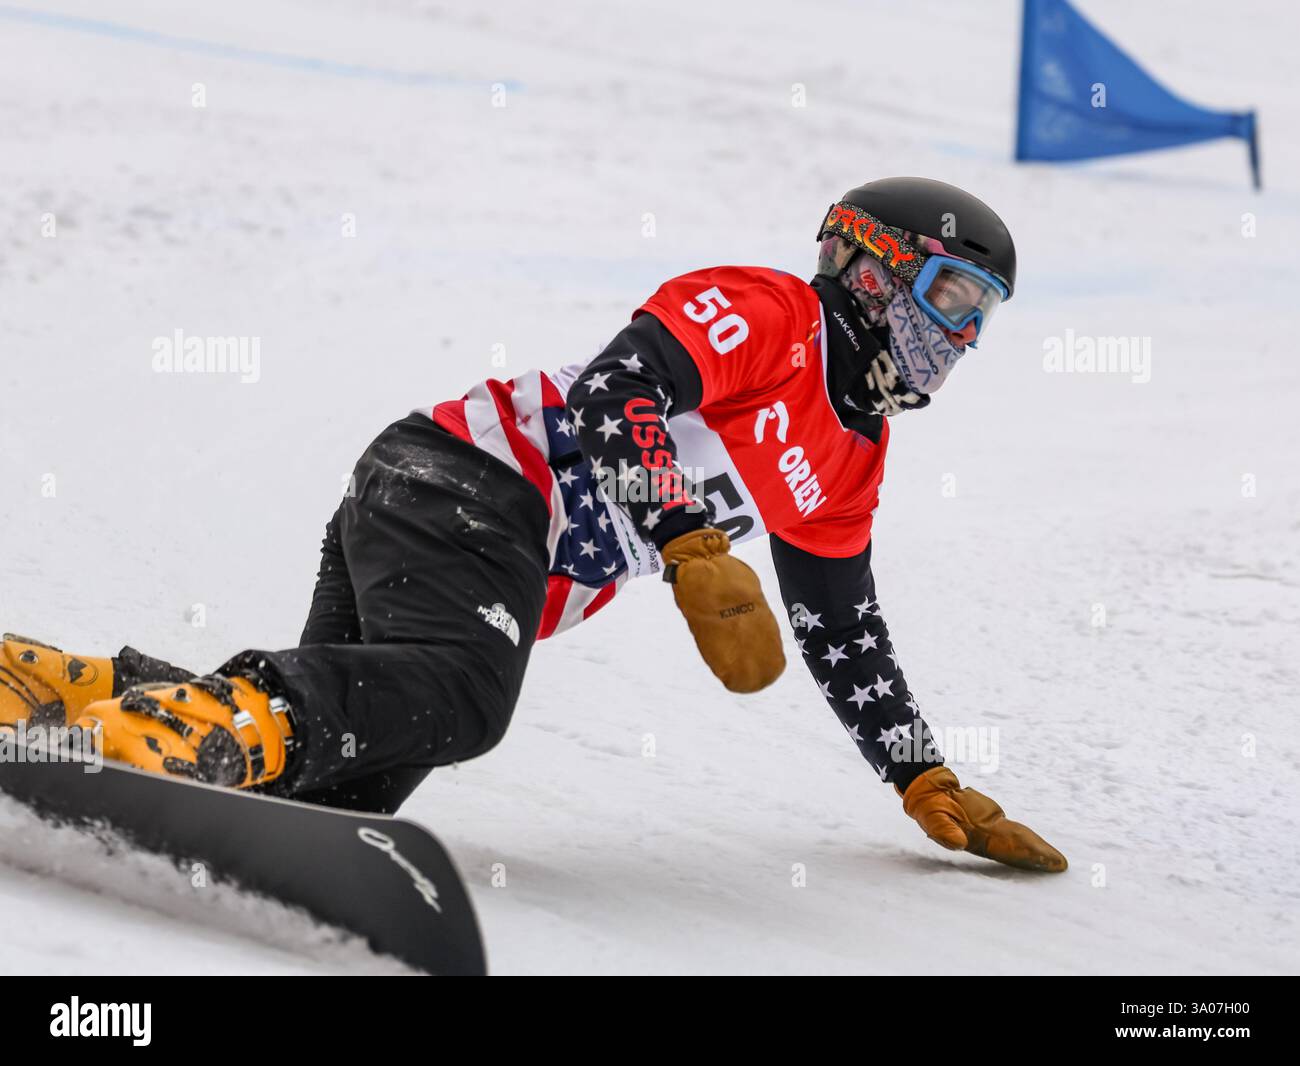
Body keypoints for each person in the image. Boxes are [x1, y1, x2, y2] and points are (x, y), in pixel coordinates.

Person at [0, 177, 1065, 873]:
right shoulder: (772, 313)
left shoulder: (856, 454)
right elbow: (615, 389)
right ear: (873, 269)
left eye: (984, 315)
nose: (963, 335)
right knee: (464, 695)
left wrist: (919, 771)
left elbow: (845, 632)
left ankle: (65, 688)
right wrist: (690, 539)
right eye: (953, 294)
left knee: (344, 778)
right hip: (461, 482)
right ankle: (150, 740)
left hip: (473, 540)